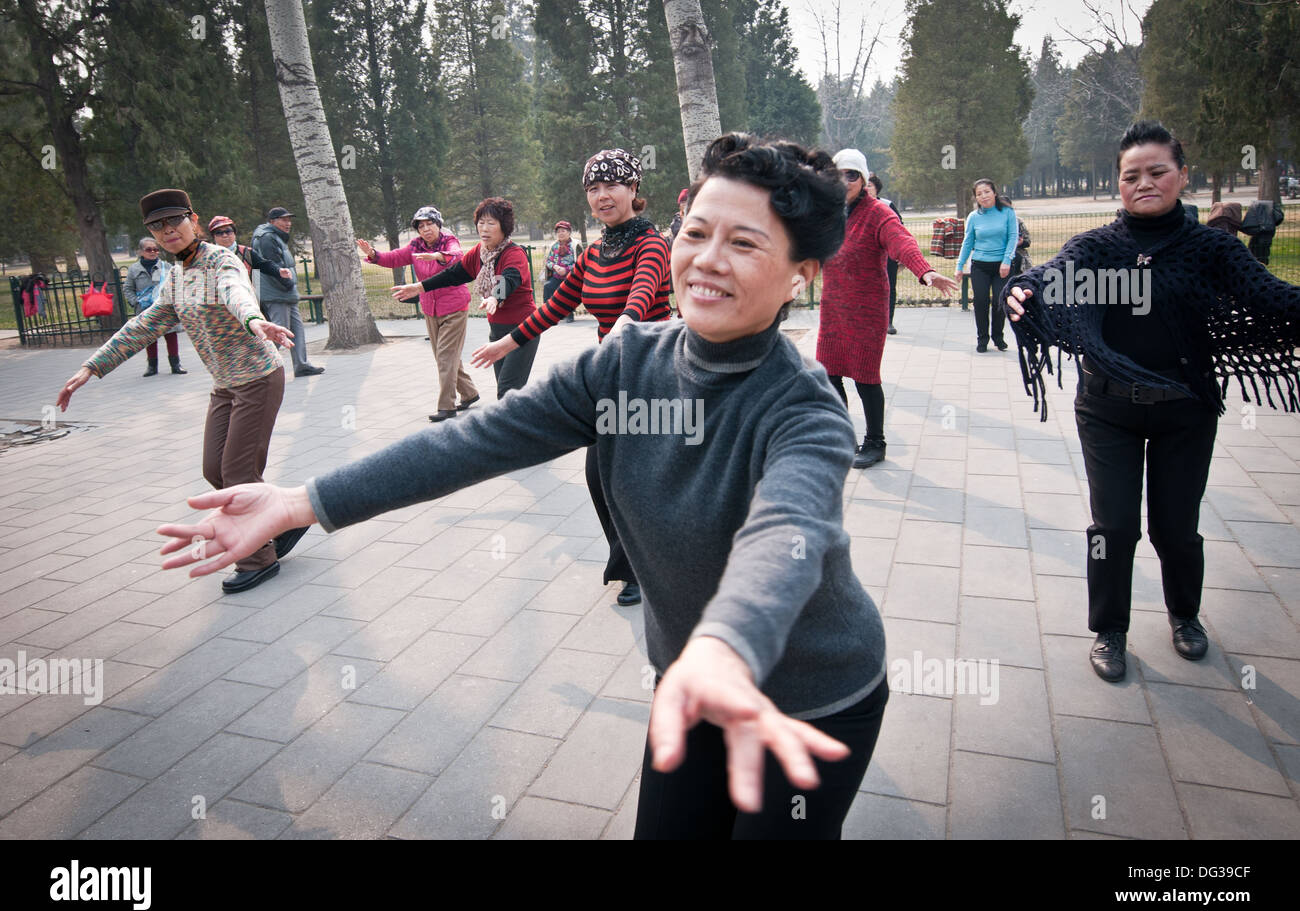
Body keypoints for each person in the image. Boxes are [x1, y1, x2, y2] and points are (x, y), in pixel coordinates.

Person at [155, 133, 889, 840]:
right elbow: (476, 438)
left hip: (812, 699)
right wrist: (301, 502)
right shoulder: (625, 365)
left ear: (803, 275)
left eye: (746, 243)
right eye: (697, 232)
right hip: (690, 680)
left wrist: (726, 644)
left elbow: (788, 534)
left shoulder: (805, 406)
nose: (706, 261)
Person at [1004, 120, 1300, 682]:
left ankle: (1184, 616)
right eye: (1131, 175)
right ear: (1119, 184)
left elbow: (1272, 297)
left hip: (1184, 412)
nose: (1144, 183)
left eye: (1157, 172)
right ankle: (1109, 630)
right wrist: (1019, 290)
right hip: (1107, 409)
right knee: (1110, 529)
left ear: (1182, 177)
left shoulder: (1210, 247)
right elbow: (1049, 275)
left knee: (1176, 528)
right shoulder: (1097, 247)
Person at [55, 188, 300, 594]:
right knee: (214, 470)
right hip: (225, 386)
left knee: (237, 473)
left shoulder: (221, 260)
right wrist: (91, 366)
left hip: (257, 377)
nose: (168, 231)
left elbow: (234, 291)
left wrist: (256, 320)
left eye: (175, 221)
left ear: (194, 220)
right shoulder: (177, 277)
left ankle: (258, 555)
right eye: (157, 226)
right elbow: (145, 324)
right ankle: (284, 517)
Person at [470, 148, 672, 607]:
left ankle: (657, 562)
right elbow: (556, 305)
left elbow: (638, 301)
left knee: (638, 479)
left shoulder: (653, 244)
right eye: (593, 188)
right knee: (600, 476)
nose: (602, 196)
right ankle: (635, 565)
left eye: (612, 186)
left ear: (633, 189)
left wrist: (621, 330)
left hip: (653, 374)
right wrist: (506, 343)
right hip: (612, 373)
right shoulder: (596, 250)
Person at [818, 148, 957, 469]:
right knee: (829, 374)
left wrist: (925, 270)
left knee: (865, 377)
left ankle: (875, 442)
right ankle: (843, 435)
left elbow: (901, 241)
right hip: (833, 308)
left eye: (852, 175)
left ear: (864, 179)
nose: (846, 181)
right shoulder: (829, 212)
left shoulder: (878, 213)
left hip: (867, 310)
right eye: (839, 174)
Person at [391, 197, 538, 404]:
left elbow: (510, 278)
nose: (484, 228)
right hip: (497, 329)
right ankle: (523, 427)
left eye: (491, 223)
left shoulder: (514, 253)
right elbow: (453, 274)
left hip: (523, 330)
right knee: (507, 392)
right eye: (481, 222)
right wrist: (418, 287)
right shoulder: (480, 252)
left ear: (503, 227)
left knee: (508, 391)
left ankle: (515, 432)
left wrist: (495, 298)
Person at [359, 207, 478, 421]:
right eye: (420, 226)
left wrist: (437, 256)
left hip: (454, 307)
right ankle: (469, 393)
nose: (425, 229)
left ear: (438, 224)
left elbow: (457, 256)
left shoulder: (449, 241)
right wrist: (373, 254)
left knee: (445, 357)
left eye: (429, 223)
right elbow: (394, 258)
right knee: (445, 357)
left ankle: (446, 406)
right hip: (430, 309)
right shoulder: (416, 246)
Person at [252, 207, 324, 377]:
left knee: (296, 329)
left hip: (285, 292)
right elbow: (273, 266)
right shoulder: (267, 238)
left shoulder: (275, 236)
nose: (288, 223)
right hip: (277, 293)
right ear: (272, 221)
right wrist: (288, 283)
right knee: (277, 332)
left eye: (289, 220)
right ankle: (261, 368)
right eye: (283, 220)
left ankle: (301, 365)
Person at [955, 178, 1018, 353]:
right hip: (980, 266)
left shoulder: (1007, 212)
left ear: (994, 192)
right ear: (976, 198)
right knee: (980, 301)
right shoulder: (974, 217)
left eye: (987, 192)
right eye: (979, 194)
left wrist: (1007, 261)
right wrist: (959, 266)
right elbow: (968, 243)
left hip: (1002, 267)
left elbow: (1013, 237)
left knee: (999, 301)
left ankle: (998, 337)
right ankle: (982, 338)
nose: (984, 196)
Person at [121, 237, 186, 376]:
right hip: (145, 309)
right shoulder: (134, 269)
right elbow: (127, 288)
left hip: (164, 307)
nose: (153, 252)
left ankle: (176, 364)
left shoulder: (166, 266)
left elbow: (176, 285)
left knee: (171, 335)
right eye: (149, 249)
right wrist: (135, 302)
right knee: (149, 337)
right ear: (140, 251)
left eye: (155, 249)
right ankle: (152, 366)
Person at [208, 216, 293, 291]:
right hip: (219, 303)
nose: (225, 235)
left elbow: (264, 264)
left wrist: (279, 270)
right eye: (219, 233)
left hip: (245, 300)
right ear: (213, 236)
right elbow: (209, 288)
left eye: (228, 231)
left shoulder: (247, 252)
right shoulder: (209, 256)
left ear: (234, 233)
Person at [867, 174, 902, 335]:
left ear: (877, 188)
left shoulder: (887, 205)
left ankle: (888, 321)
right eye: (864, 185)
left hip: (887, 255)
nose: (866, 188)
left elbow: (900, 232)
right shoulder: (854, 206)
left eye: (870, 186)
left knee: (888, 287)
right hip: (866, 256)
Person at [542, 220, 578, 321]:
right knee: (548, 286)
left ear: (569, 232)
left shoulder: (575, 245)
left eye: (563, 231)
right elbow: (548, 261)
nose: (560, 233)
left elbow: (580, 262)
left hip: (571, 276)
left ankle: (569, 314)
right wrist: (555, 267)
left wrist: (566, 269)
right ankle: (547, 314)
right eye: (558, 231)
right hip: (556, 275)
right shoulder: (554, 246)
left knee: (567, 289)